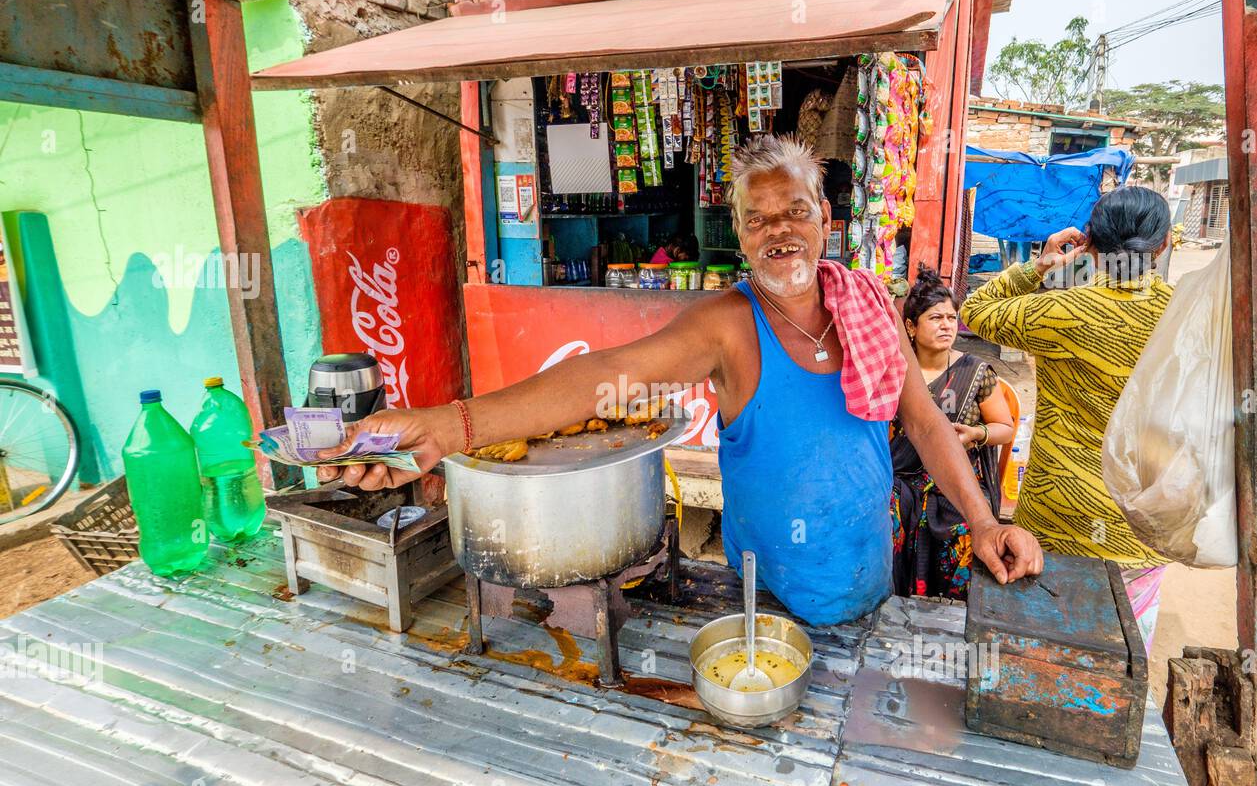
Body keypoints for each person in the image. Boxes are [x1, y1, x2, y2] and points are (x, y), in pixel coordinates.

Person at [319, 134, 1042, 628]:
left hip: (867, 566)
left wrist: (985, 522)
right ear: (737, 231)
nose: (778, 230)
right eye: (756, 219)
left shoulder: (869, 303)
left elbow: (922, 422)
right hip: (766, 592)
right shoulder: (726, 326)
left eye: (795, 209)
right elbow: (604, 375)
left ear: (825, 216)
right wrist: (450, 426)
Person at [959, 186, 1173, 649]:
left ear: (1089, 241)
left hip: (1058, 519)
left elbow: (974, 311)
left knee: (1042, 650)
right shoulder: (1182, 315)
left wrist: (1039, 265)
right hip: (1146, 523)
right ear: (1163, 244)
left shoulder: (1063, 311)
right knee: (1119, 660)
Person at [891, 264, 1014, 599]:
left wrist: (975, 434)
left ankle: (953, 611)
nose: (947, 325)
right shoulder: (894, 371)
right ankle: (891, 603)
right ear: (910, 327)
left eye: (951, 317)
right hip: (900, 480)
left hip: (954, 482)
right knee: (880, 520)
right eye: (935, 318)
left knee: (961, 529)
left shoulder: (974, 371)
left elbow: (1005, 428)